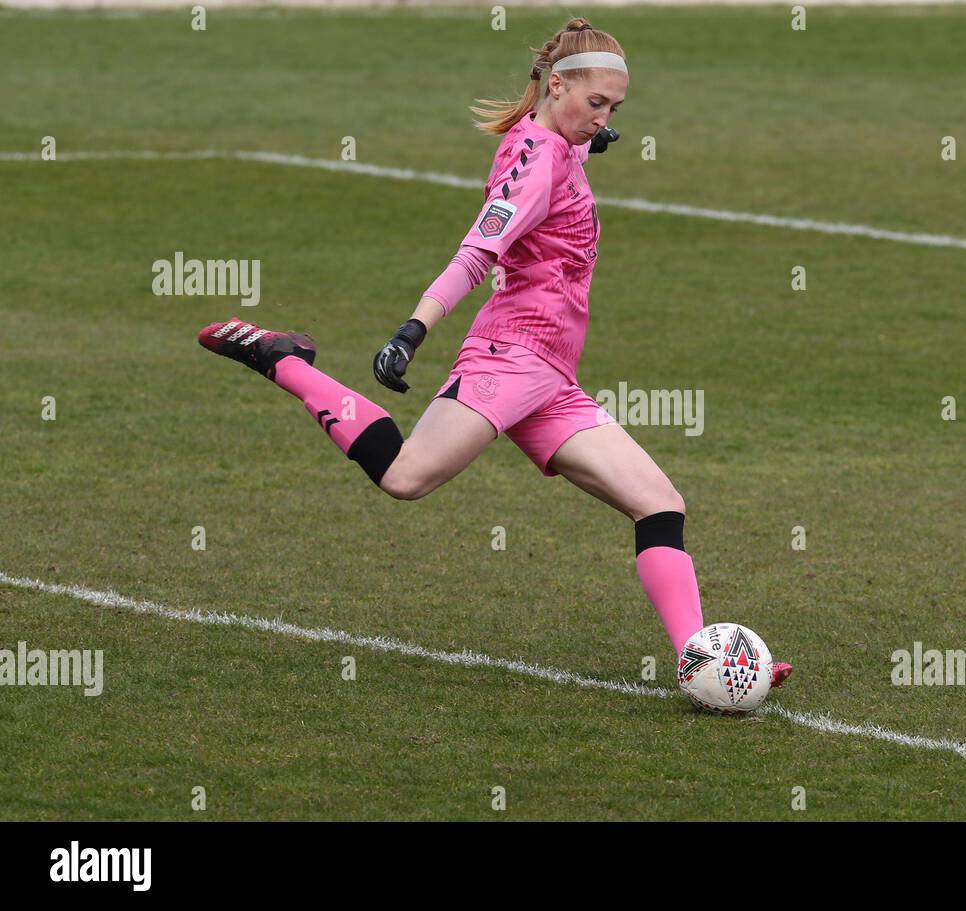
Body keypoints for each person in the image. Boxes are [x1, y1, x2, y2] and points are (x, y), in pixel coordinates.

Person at [197, 18, 792, 691]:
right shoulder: (538, 155)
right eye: (595, 105)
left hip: (552, 379)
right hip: (508, 360)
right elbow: (479, 250)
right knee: (403, 475)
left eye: (614, 110)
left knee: (660, 504)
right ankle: (285, 359)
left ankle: (700, 658)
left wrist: (587, 144)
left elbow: (555, 166)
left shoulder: (559, 144)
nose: (602, 120)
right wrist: (412, 330)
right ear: (557, 84)